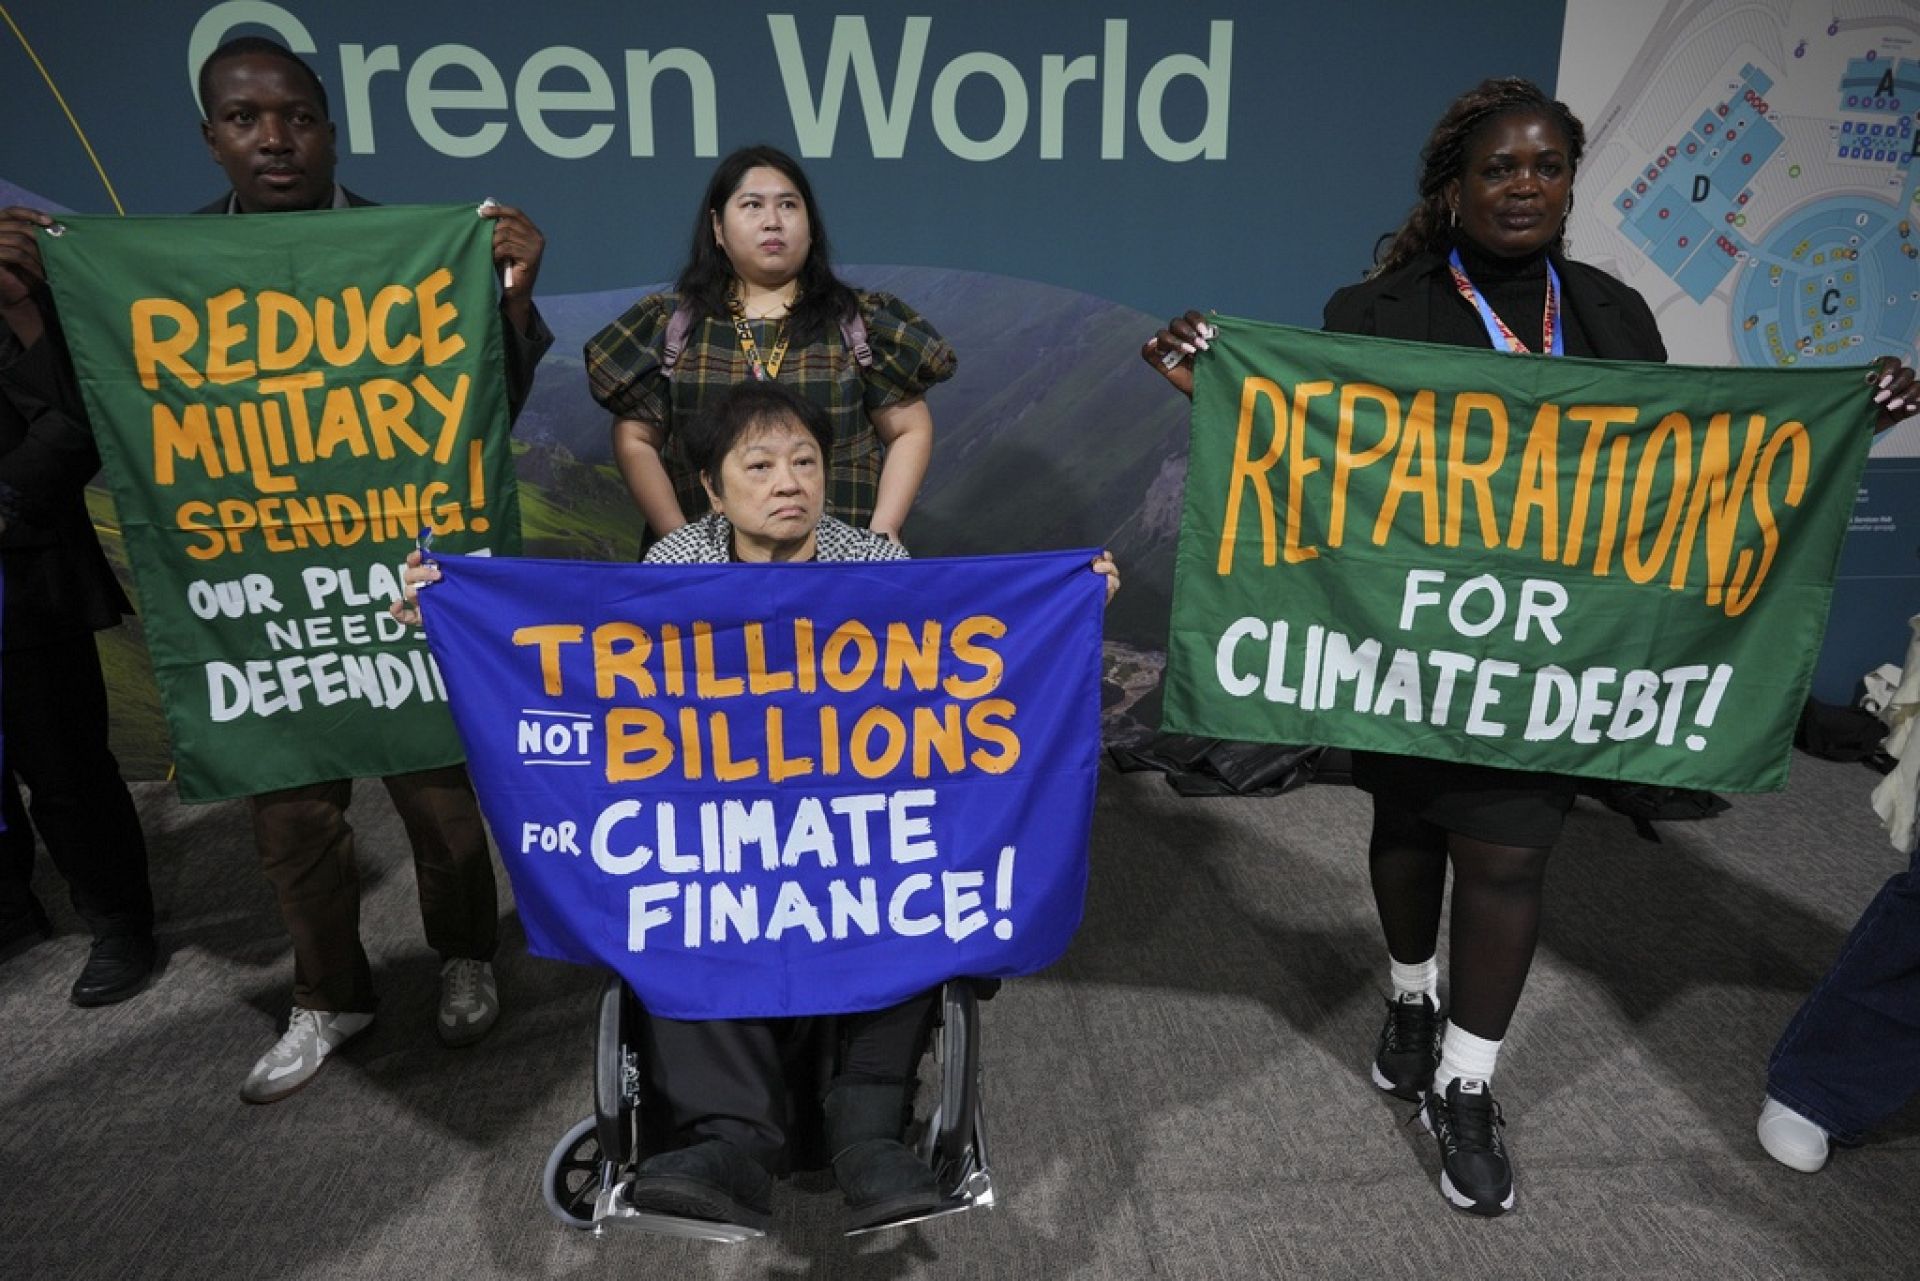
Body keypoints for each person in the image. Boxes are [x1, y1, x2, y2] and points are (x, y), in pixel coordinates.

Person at [1141, 76, 1917, 1217]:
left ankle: (1467, 1081)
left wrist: (1846, 418)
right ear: (1454, 186)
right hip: (1409, 646)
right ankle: (1409, 996)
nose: (1525, 186)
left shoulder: (1611, 315)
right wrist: (1212, 387)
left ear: (1567, 183)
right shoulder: (1377, 310)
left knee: (1506, 857)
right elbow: (1315, 457)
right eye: (1500, 167)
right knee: (1406, 828)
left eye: (1547, 166)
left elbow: (1687, 477)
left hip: (1547, 663)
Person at [398, 380, 1118, 1231]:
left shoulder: (872, 561)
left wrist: (1074, 602)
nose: (790, 482)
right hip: (722, 815)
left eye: (807, 461)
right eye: (762, 464)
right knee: (680, 906)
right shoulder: (675, 569)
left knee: (923, 890)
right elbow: (588, 670)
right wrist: (442, 607)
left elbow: (956, 671)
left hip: (857, 814)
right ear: (711, 486)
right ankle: (729, 1135)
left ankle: (870, 1128)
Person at [186, 36, 554, 1102]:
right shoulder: (168, 270)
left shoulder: (418, 251)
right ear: (211, 139)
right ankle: (327, 995)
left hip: (403, 586)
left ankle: (465, 957)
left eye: (295, 115)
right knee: (292, 822)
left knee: (441, 805)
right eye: (247, 119)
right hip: (269, 608)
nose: (274, 138)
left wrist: (515, 298)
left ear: (329, 128)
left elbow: (484, 416)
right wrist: (33, 301)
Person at [584, 144, 954, 552]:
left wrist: (881, 533)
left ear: (811, 226)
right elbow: (636, 439)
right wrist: (679, 542)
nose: (773, 222)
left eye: (789, 206)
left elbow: (909, 428)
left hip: (842, 571)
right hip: (705, 582)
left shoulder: (860, 321)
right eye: (752, 205)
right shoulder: (669, 323)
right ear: (718, 228)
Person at [0, 207, 157, 1005]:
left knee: (63, 767)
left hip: (22, 576)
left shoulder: (16, 289)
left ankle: (119, 921)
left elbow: (77, 414)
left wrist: (24, 305)